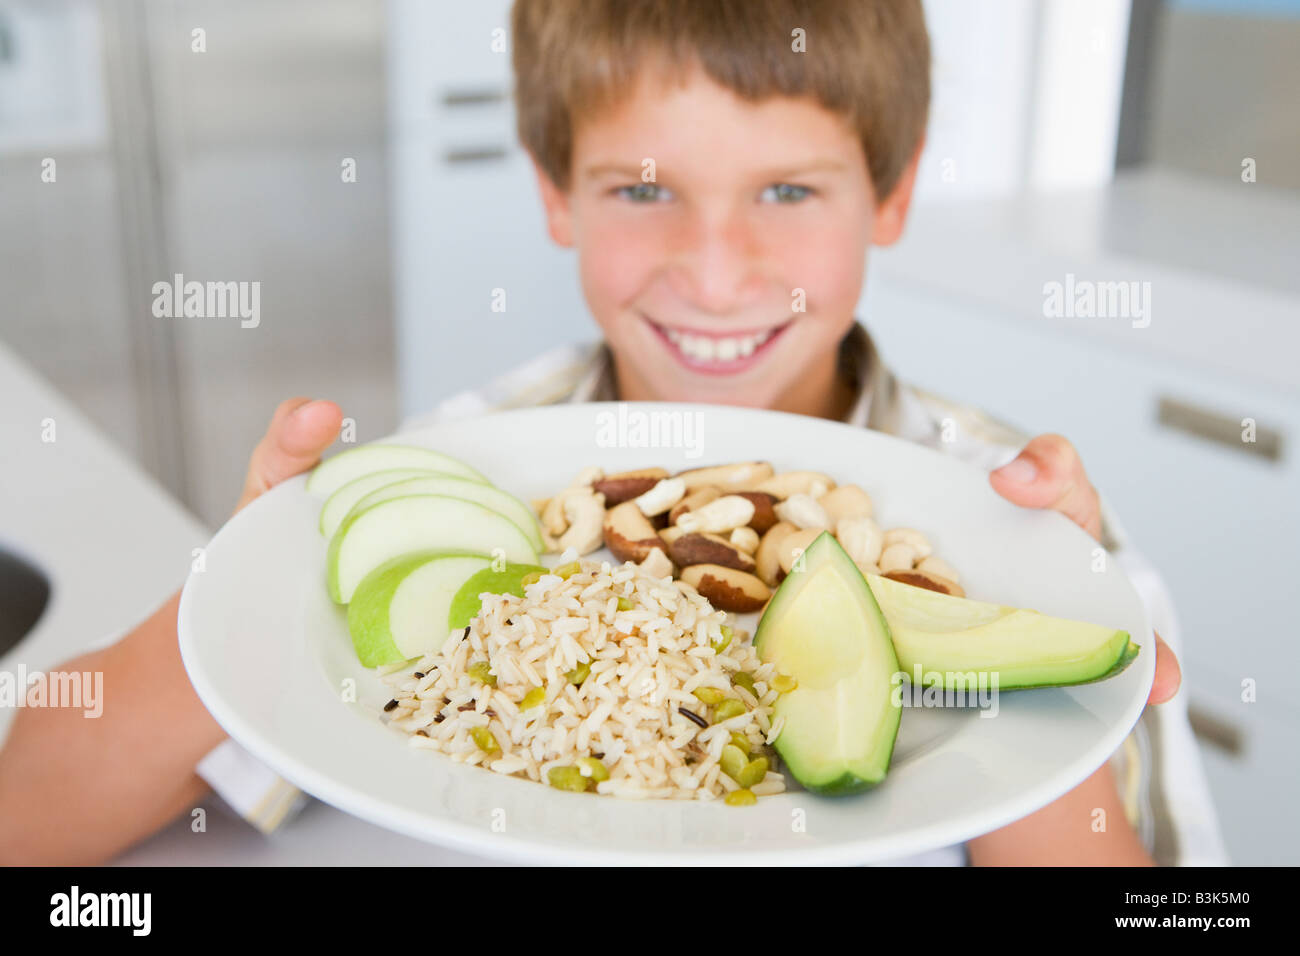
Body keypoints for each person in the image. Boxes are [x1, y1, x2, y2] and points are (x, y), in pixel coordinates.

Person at [0, 0, 1202, 866]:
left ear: (890, 193)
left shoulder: (1015, 519)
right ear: (553, 189)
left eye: (788, 190)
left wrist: (1038, 682)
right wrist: (243, 593)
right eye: (641, 188)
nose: (718, 271)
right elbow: (31, 822)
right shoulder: (470, 468)